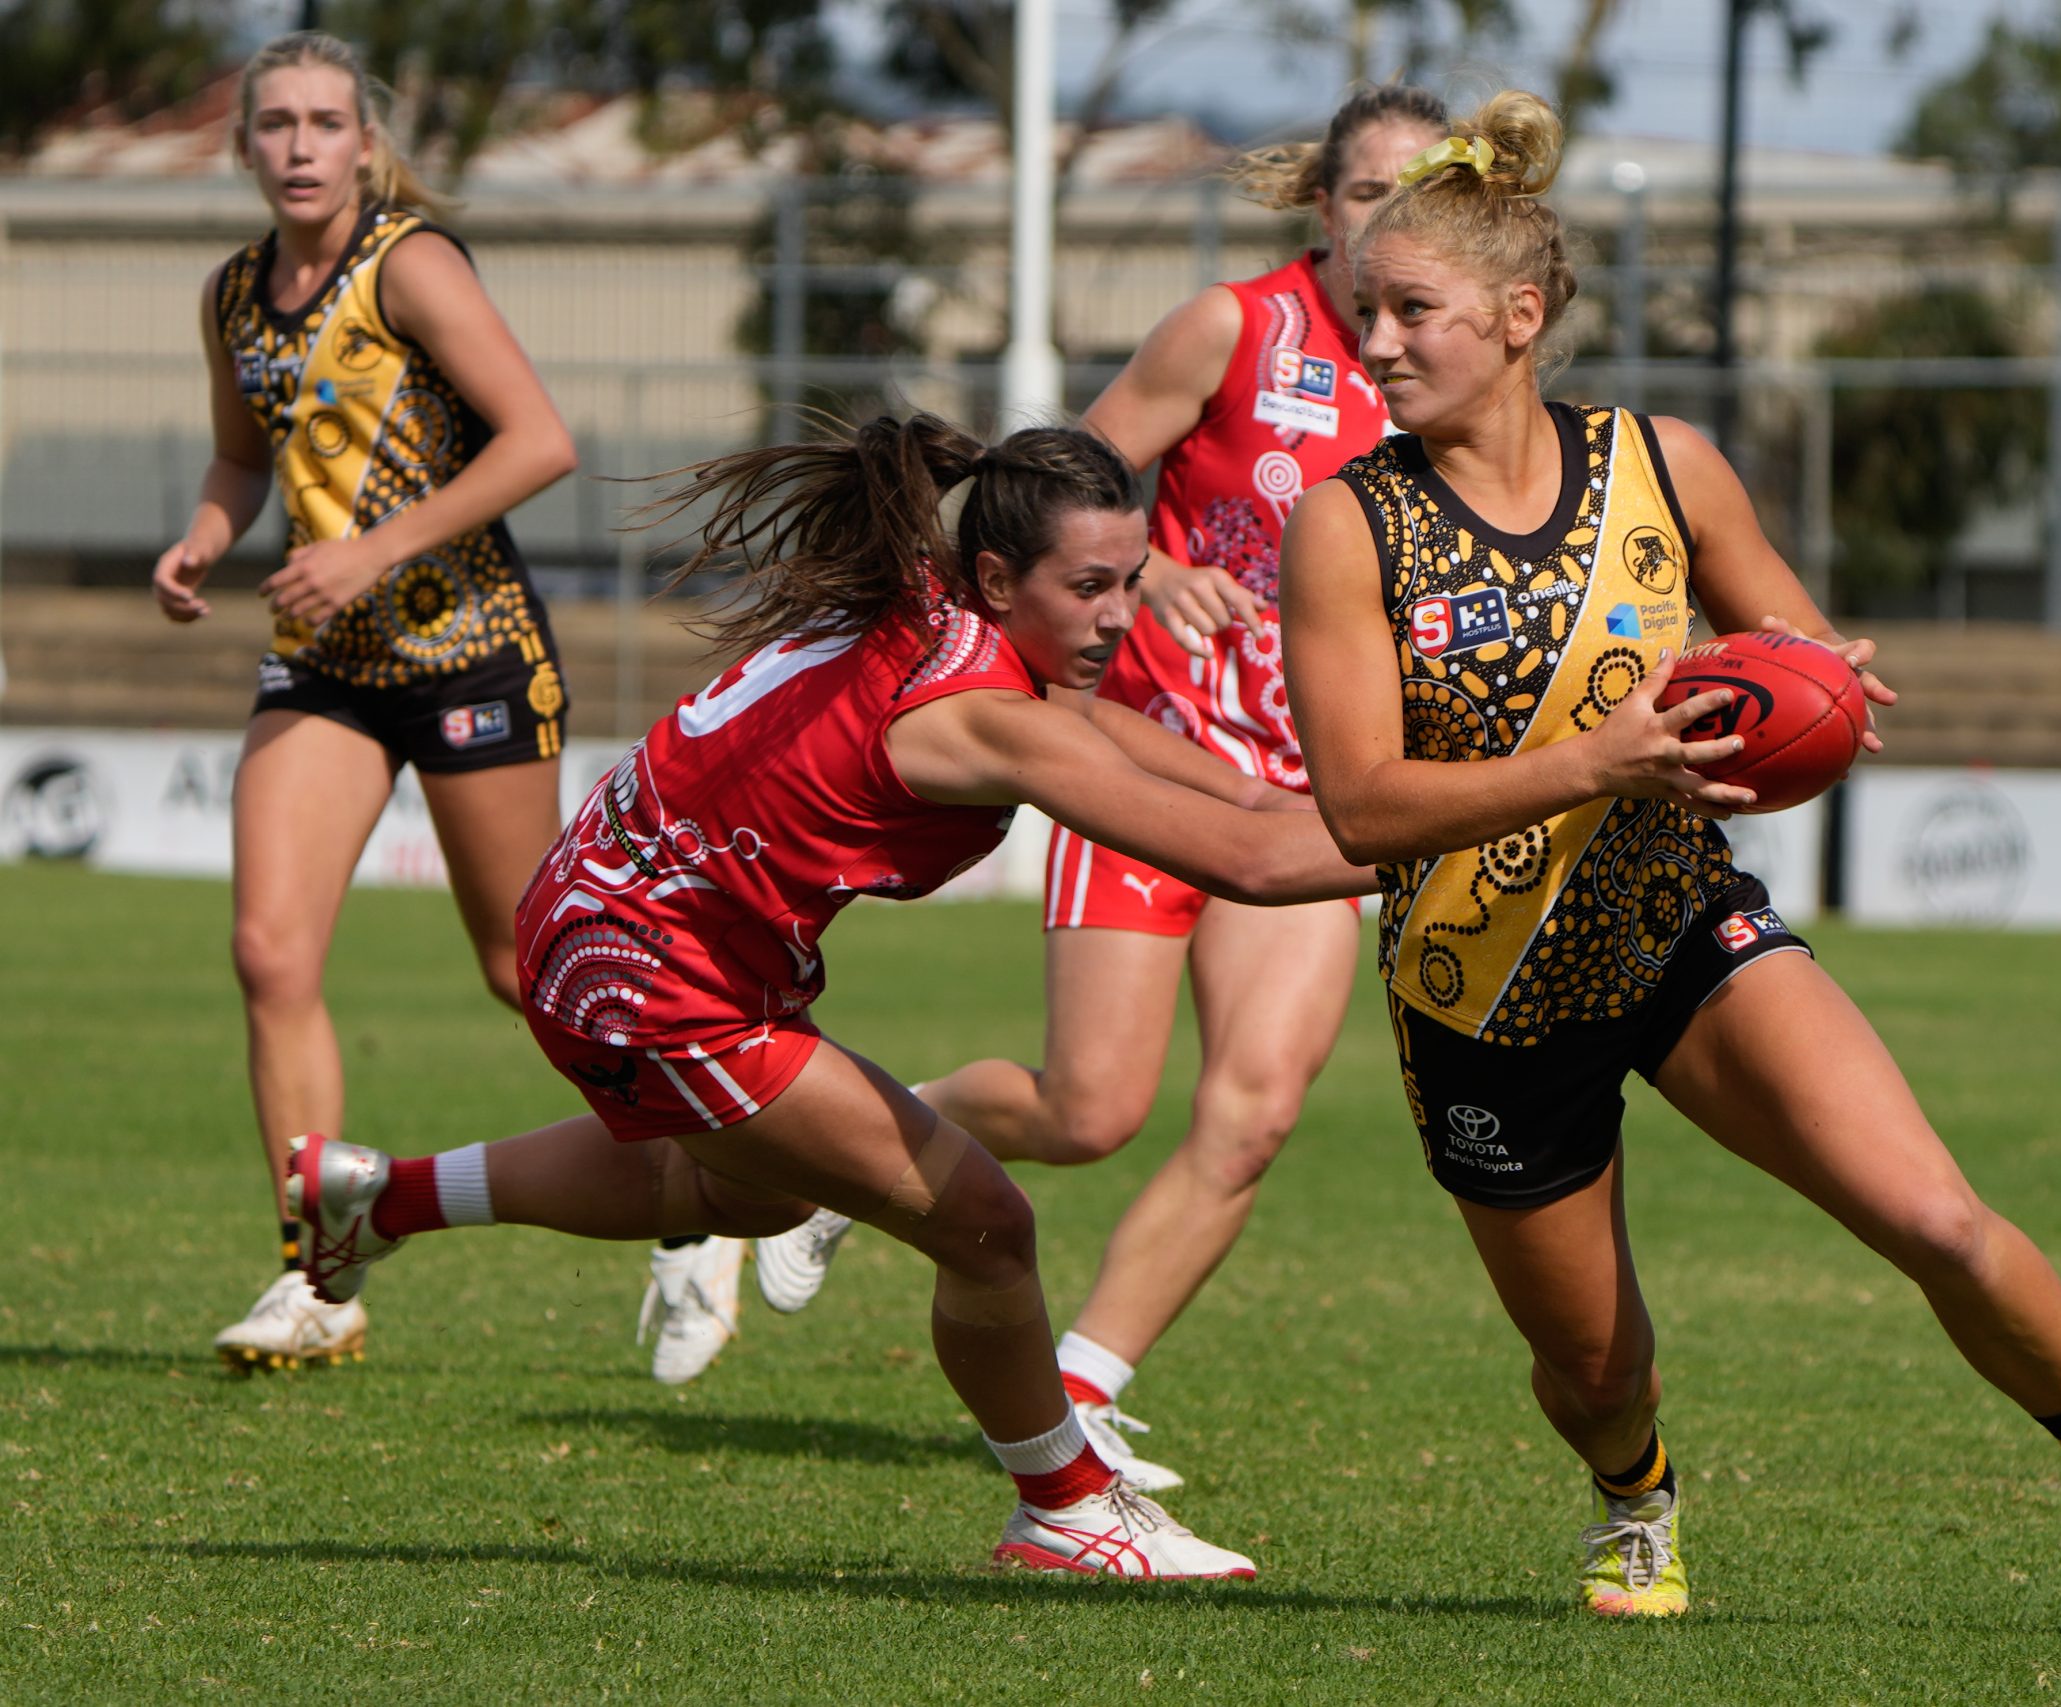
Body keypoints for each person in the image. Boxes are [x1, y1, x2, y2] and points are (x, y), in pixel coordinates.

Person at [1279, 91, 2061, 1617]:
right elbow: (1362, 807)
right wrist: (1600, 756)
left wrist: (1821, 692)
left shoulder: (1666, 466)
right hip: (1482, 992)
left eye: (1411, 310)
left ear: (1519, 315)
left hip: (1683, 926)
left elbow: (1795, 650)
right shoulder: (1347, 526)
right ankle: (1636, 1496)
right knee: (1594, 1365)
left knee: (1937, 1215)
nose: (1377, 343)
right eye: (1367, 311)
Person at [285, 417, 1373, 1577]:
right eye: (1090, 587)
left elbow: (1241, 806)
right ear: (996, 579)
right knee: (988, 1226)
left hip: (611, 918)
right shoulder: (979, 719)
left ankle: (382, 1199)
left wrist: (1366, 805)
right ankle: (1065, 1508)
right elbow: (1248, 866)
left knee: (747, 1195)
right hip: (654, 969)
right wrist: (1492, 821)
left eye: (1133, 580)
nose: (1120, 615)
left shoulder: (942, 612)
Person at [749, 86, 1454, 1491]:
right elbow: (1052, 490)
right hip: (1149, 754)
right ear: (1323, 204)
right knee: (1089, 1111)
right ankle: (864, 1148)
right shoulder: (1234, 329)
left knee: (1253, 1113)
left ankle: (1081, 1389)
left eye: (1428, 195)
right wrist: (1161, 570)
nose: (1396, 220)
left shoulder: (1453, 374)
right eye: (1374, 190)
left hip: (1305, 792)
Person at [153, 31, 586, 1373]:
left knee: (526, 969)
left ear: (364, 142)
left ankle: (717, 1174)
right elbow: (242, 456)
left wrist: (374, 549)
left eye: (324, 122)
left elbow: (542, 441)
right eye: (274, 122)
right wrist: (204, 536)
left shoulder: (412, 264)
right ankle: (316, 1275)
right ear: (245, 144)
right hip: (325, 663)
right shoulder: (233, 292)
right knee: (270, 955)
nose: (298, 145)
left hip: (471, 653)